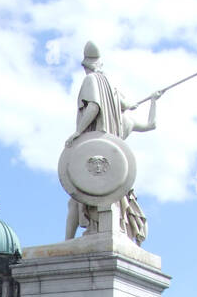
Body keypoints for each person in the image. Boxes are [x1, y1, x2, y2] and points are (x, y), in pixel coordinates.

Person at [65, 42, 159, 243]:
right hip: (114, 170)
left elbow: (93, 108)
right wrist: (153, 101)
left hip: (92, 155)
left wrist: (77, 132)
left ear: (86, 66)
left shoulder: (91, 80)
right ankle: (93, 233)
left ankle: (68, 240)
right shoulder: (118, 101)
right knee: (91, 200)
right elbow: (151, 124)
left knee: (76, 199)